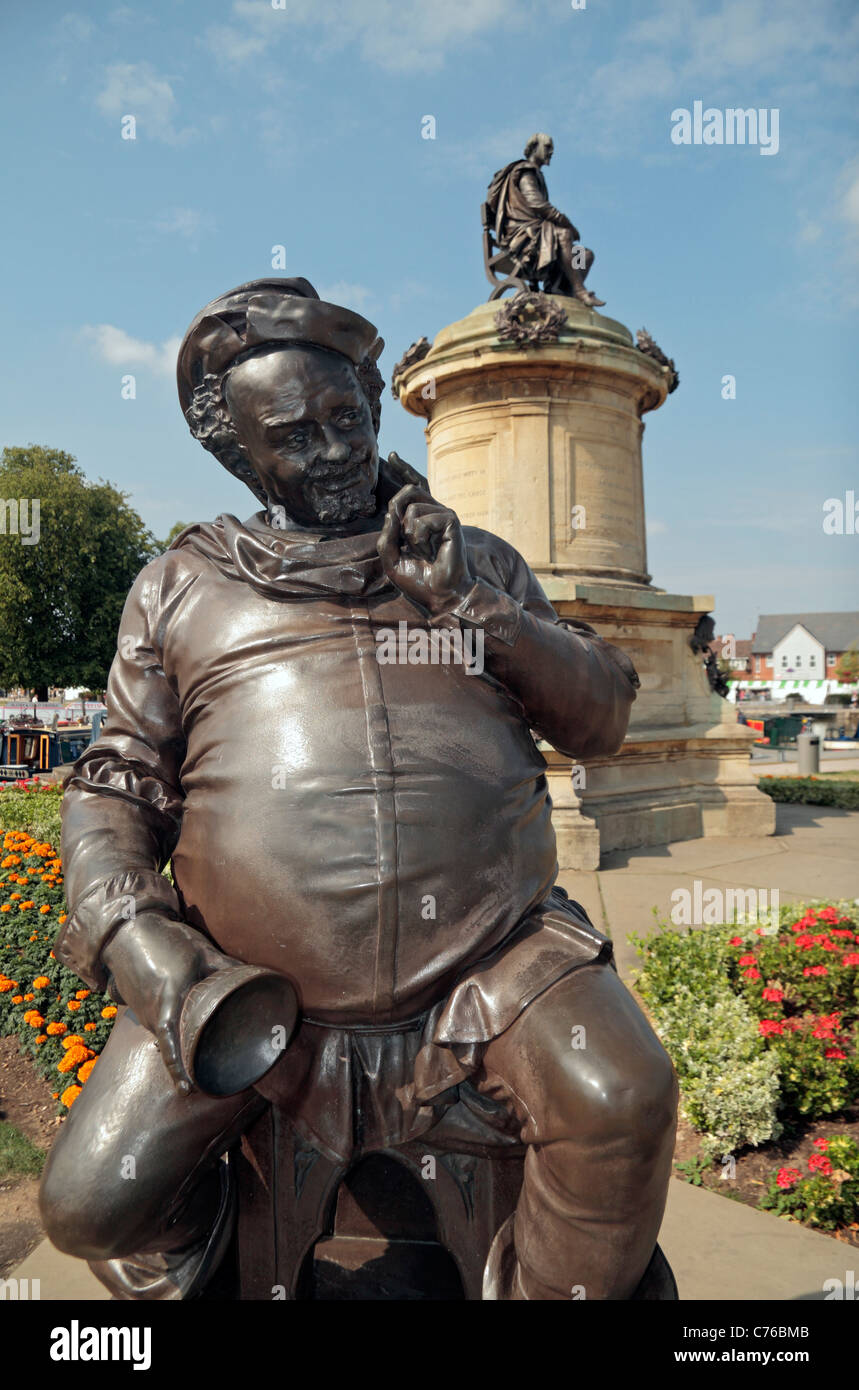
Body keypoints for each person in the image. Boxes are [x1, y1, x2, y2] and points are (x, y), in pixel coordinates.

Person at [40, 278, 676, 1300]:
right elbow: (115, 783)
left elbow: (598, 718)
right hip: (245, 984)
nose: (333, 451)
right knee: (87, 1203)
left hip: (492, 960)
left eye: (347, 418)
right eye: (293, 435)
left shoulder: (476, 564)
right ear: (241, 451)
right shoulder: (181, 585)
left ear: (377, 405)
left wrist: (468, 601)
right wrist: (132, 933)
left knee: (623, 1097)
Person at [487, 133, 605, 306]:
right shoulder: (526, 171)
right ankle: (581, 291)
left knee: (583, 253)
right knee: (564, 235)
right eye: (548, 147)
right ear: (534, 148)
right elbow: (537, 204)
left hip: (538, 232)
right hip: (521, 236)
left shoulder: (537, 174)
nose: (551, 152)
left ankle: (564, 290)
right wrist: (566, 222)